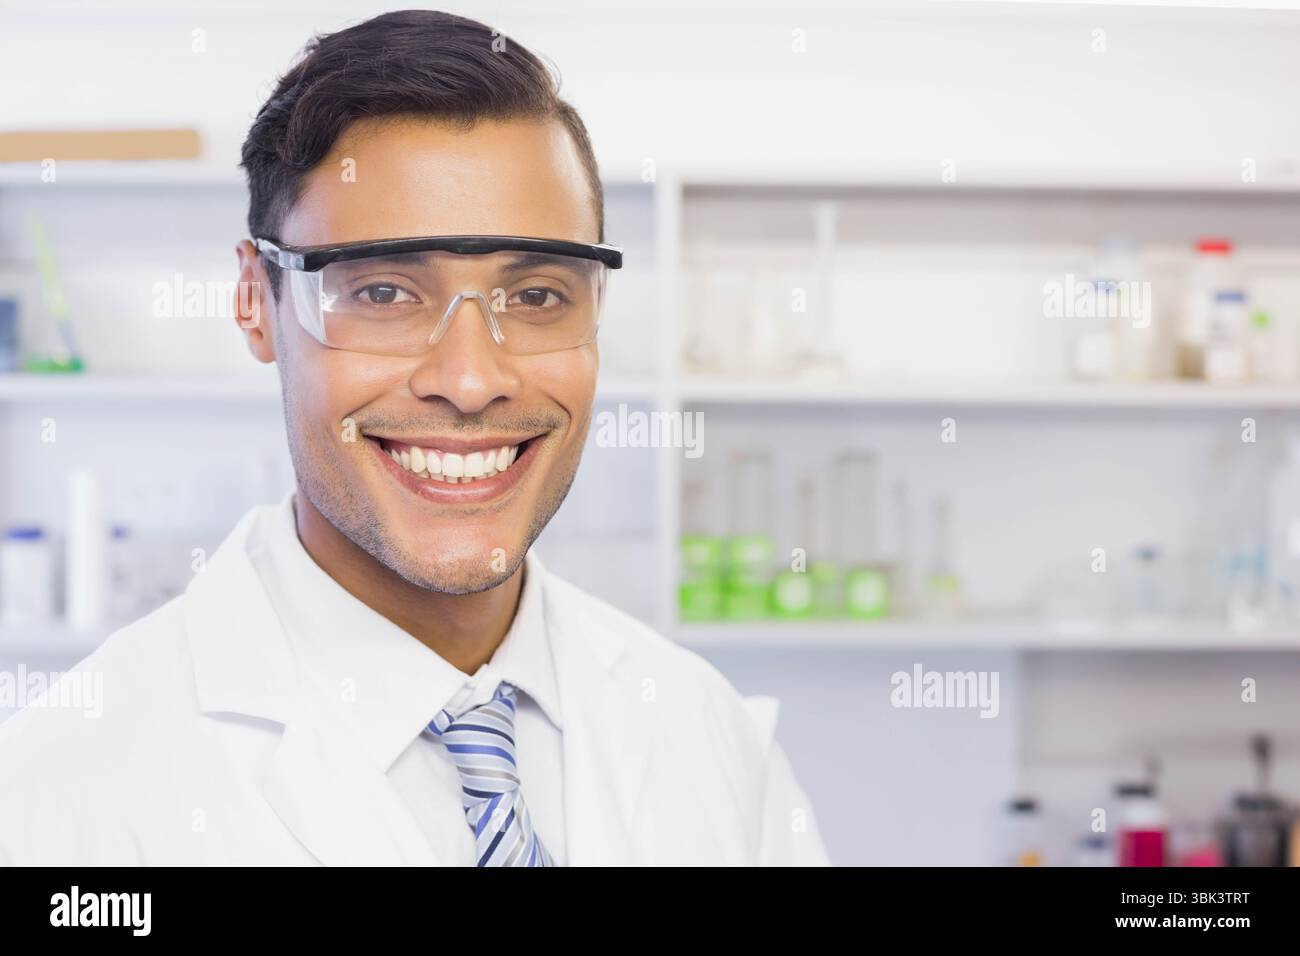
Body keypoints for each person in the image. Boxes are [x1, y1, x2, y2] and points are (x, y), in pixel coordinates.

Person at [0, 9, 827, 866]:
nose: (471, 381)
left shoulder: (716, 742)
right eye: (385, 293)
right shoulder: (60, 796)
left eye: (537, 295)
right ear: (256, 300)